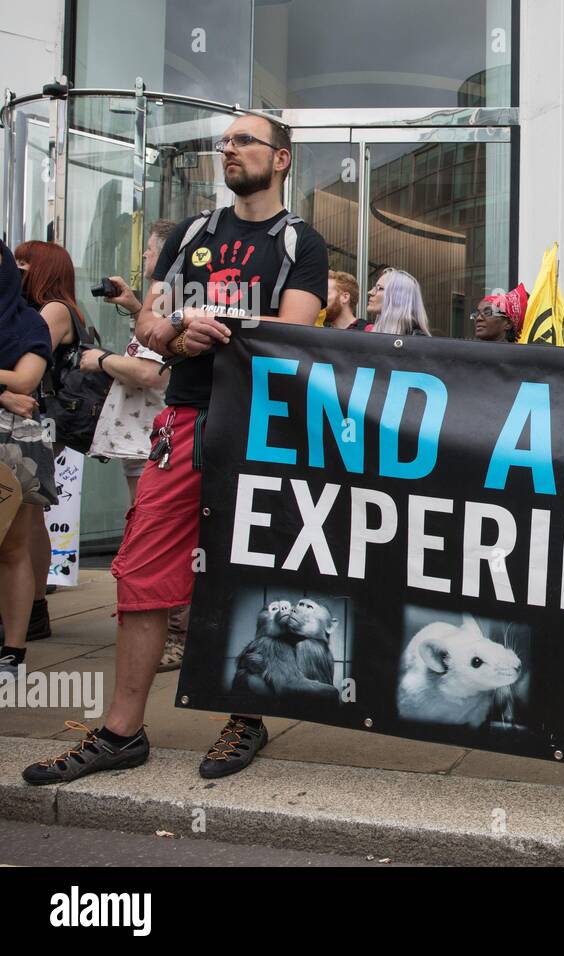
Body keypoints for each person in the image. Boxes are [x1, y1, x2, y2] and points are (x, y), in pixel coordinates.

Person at [21, 112, 329, 786]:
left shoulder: (300, 241)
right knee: (143, 569)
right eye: (225, 140)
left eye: (245, 140)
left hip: (260, 428)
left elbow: (298, 330)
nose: (229, 149)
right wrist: (175, 334)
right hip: (185, 419)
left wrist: (212, 326)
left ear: (281, 159)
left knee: (248, 572)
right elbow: (153, 320)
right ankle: (121, 732)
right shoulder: (193, 235)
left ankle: (243, 717)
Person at [87, 219, 191, 672]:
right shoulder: (158, 305)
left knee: (157, 543)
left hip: (160, 443)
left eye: (150, 252)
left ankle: (176, 636)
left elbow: (153, 372)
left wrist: (102, 360)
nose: (145, 260)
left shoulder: (175, 303)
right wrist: (133, 307)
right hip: (147, 442)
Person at [9, 240, 88, 642]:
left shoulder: (53, 311)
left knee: (27, 515)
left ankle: (34, 605)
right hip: (34, 417)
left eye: (25, 262)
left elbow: (31, 362)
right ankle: (33, 606)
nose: (18, 269)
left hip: (35, 418)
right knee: (31, 514)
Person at [0, 240, 56, 679]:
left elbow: (26, 379)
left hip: (13, 445)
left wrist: (9, 390)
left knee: (13, 548)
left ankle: (13, 650)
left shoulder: (27, 323)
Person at [366, 268, 431, 336]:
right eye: (374, 288)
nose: (370, 292)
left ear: (398, 297)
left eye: (380, 288)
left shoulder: (417, 340)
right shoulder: (377, 332)